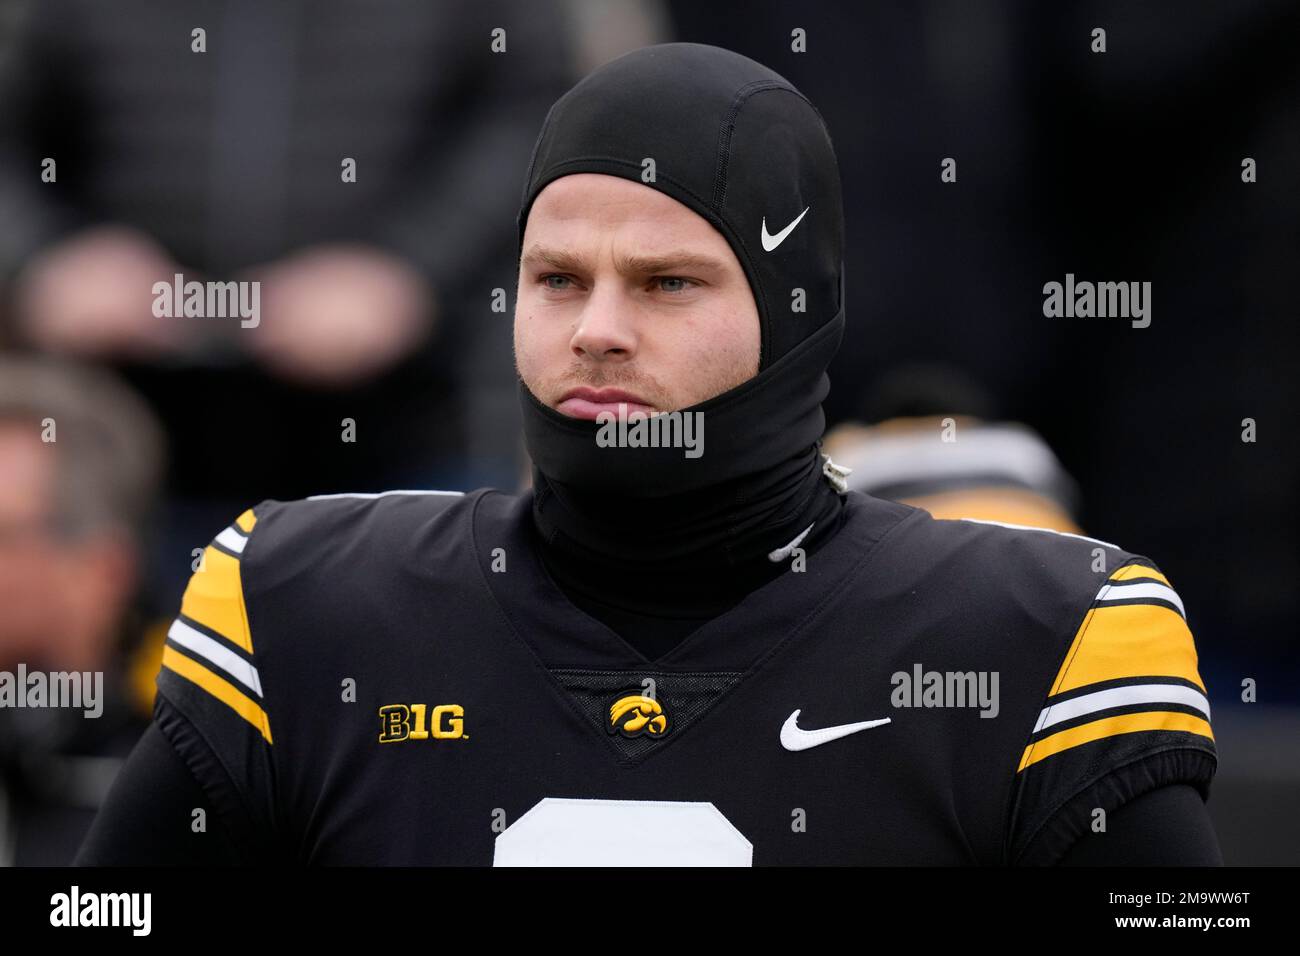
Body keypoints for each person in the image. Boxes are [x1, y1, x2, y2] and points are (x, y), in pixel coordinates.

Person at [76, 43, 1220, 866]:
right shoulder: (301, 601)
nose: (597, 328)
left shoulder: (1045, 635)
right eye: (556, 277)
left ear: (795, 306)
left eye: (669, 281)